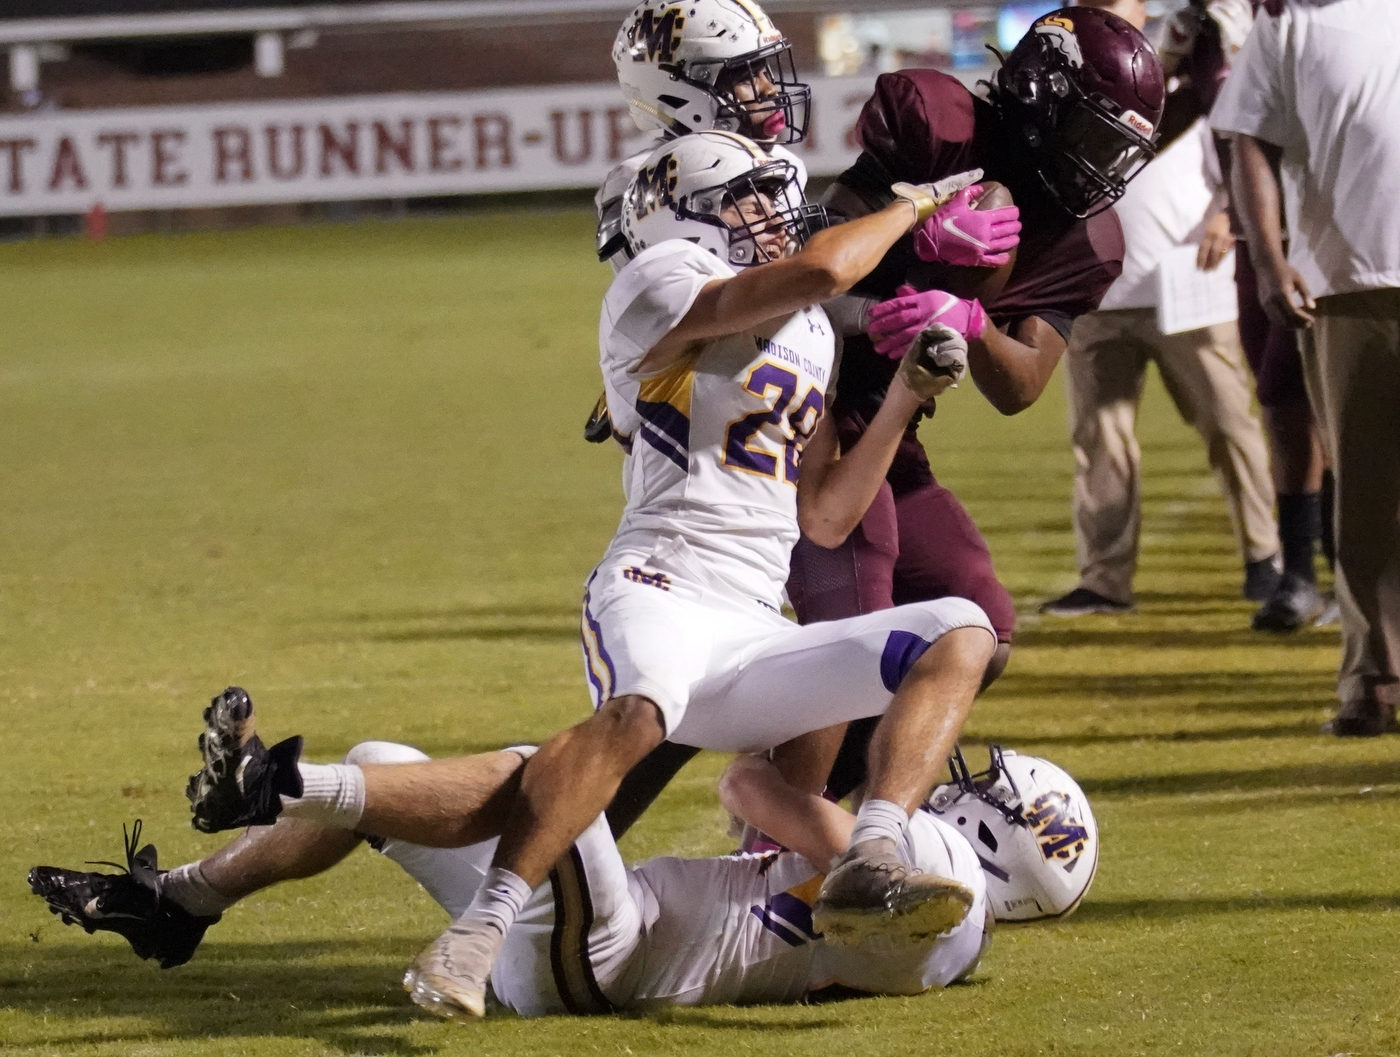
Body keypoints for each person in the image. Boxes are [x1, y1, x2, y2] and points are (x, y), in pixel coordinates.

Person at [324, 129, 999, 1019]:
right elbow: (824, 273)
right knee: (637, 714)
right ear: (686, 218)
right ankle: (479, 931)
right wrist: (909, 208)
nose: (770, 214)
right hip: (662, 584)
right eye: (746, 199)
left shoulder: (809, 335)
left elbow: (827, 515)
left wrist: (908, 392)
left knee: (960, 629)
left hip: (755, 619)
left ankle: (872, 850)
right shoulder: (656, 282)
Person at [27, 691, 1099, 1013]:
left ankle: (277, 783)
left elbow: (744, 785)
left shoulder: (927, 869)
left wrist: (778, 712)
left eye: (985, 797)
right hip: (587, 943)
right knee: (390, 760)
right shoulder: (944, 943)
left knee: (552, 770)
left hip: (610, 949)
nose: (955, 787)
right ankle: (179, 903)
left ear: (996, 840)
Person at [780, 6, 1165, 799]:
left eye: (1116, 150)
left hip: (889, 426)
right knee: (854, 627)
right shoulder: (943, 128)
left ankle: (817, 807)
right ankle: (771, 845)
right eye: (1093, 138)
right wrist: (908, 230)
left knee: (976, 619)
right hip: (799, 407)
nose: (1100, 170)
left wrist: (970, 320)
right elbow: (803, 262)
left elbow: (1020, 384)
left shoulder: (1087, 237)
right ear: (1038, 94)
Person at [1038, 0, 1280, 618]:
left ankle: (1266, 557)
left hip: (1184, 277)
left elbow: (1239, 144)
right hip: (1096, 287)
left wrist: (1228, 212)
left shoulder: (1185, 70)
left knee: (1229, 426)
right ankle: (1104, 578)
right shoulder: (1060, 79)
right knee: (1100, 441)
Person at [1211, 0, 1400, 735]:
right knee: (1369, 498)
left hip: (1350, 282)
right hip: (1349, 284)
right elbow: (1247, 137)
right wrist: (1266, 257)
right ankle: (1374, 680)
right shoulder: (1288, 22)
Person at [1159, 0, 1333, 631]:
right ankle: (1305, 572)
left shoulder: (1314, 16)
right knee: (1281, 395)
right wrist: (1171, 45)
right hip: (1256, 240)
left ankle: (1324, 567)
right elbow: (1154, 123)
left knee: (1333, 396)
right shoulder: (1208, 30)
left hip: (1324, 226)